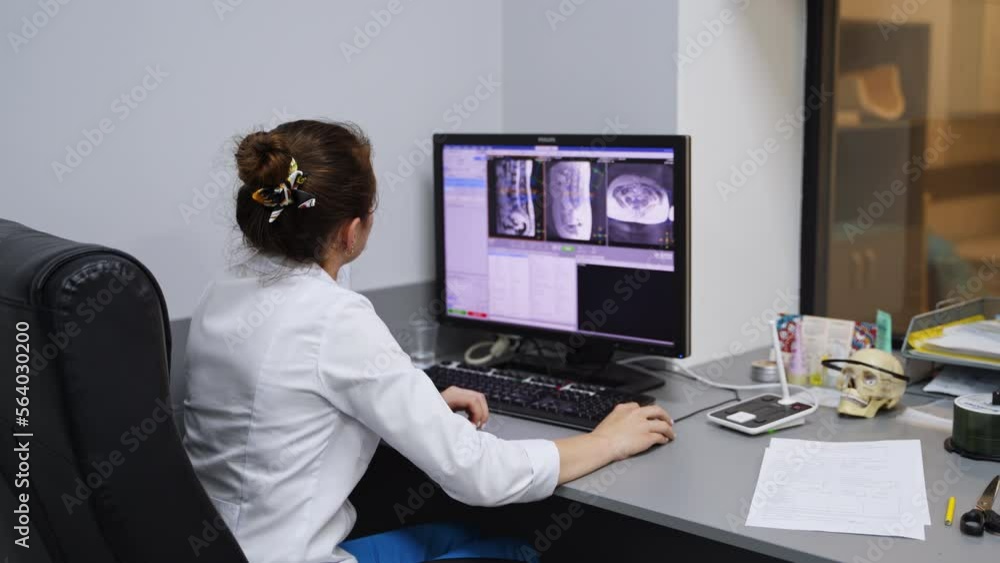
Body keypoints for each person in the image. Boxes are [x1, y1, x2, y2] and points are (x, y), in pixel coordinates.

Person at [181, 119, 675, 563]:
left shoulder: (221, 293)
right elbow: (481, 475)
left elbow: (286, 407)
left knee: (459, 535)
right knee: (518, 552)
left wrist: (418, 399)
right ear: (352, 232)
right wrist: (606, 442)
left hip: (228, 550)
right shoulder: (334, 317)